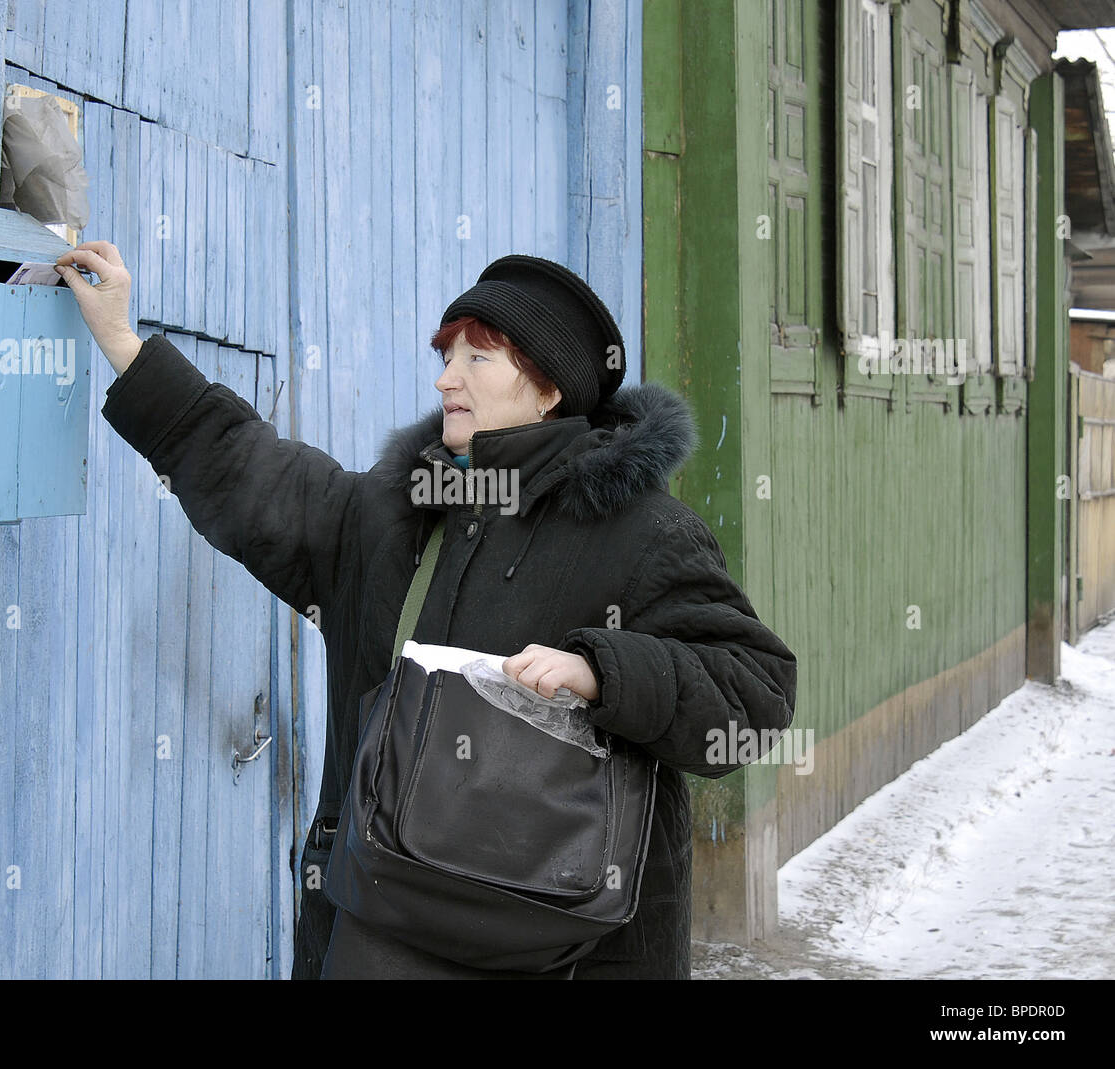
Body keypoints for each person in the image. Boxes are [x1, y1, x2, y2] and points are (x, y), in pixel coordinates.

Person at [55, 242, 798, 980]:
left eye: (479, 359)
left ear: (549, 388)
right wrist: (123, 340)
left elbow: (753, 691)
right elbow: (245, 466)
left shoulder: (642, 533)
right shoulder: (390, 520)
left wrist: (603, 671)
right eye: (447, 357)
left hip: (572, 955)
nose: (446, 379)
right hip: (383, 940)